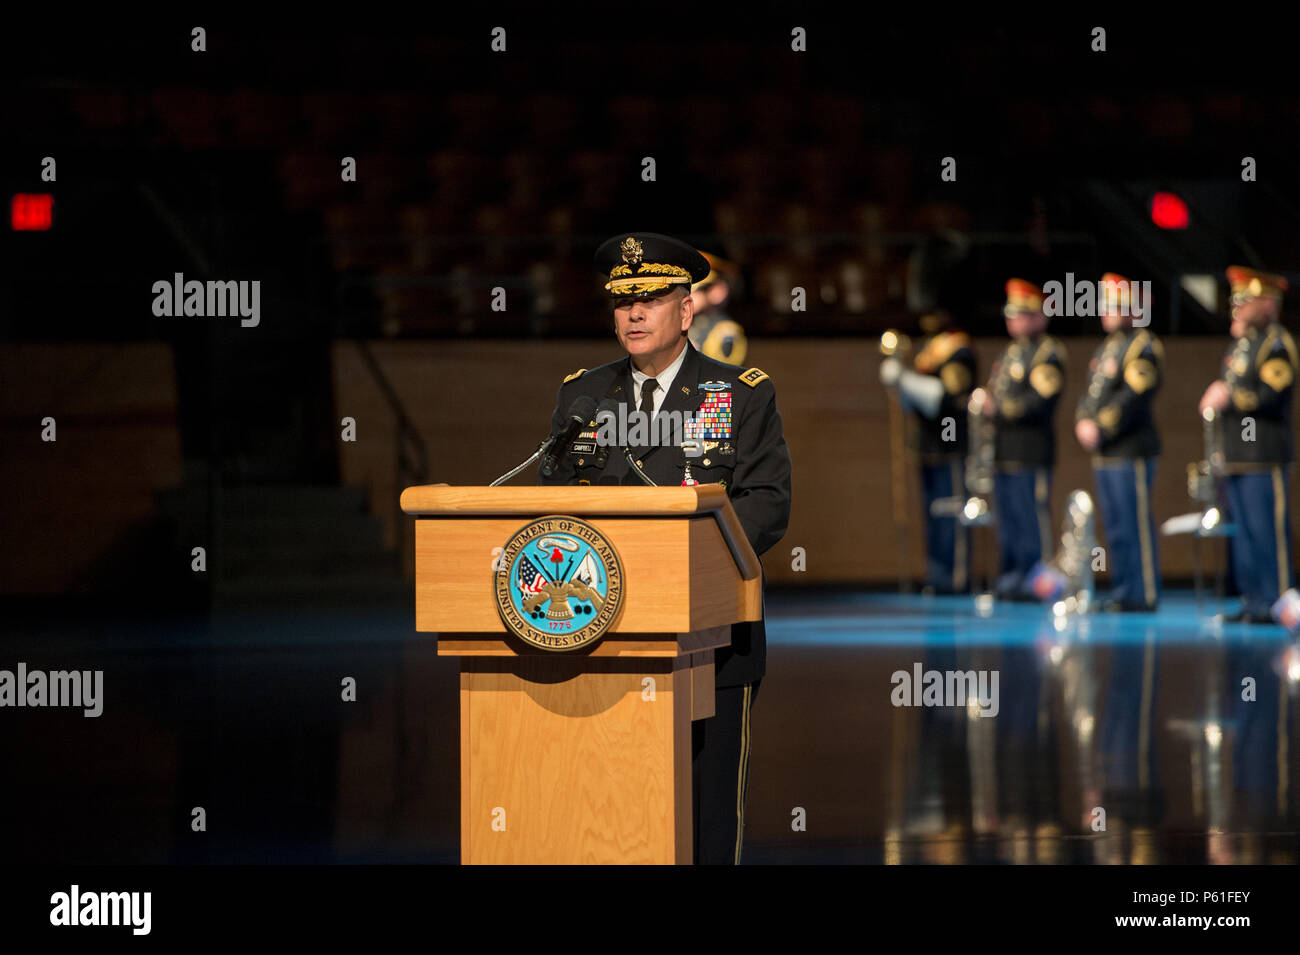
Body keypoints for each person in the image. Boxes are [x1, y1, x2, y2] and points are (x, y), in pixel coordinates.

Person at [538, 232, 793, 862]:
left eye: (651, 300)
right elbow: (553, 498)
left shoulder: (741, 393)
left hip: (714, 635)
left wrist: (694, 562)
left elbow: (768, 500)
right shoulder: (584, 395)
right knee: (614, 806)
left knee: (708, 816)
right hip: (604, 634)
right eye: (623, 301)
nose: (633, 313)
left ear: (687, 310)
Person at [1198, 266, 1296, 623]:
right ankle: (1253, 599)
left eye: (1246, 299)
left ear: (1268, 303)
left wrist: (1231, 395)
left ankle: (1278, 601)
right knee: (1243, 535)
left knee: (1266, 530)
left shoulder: (1277, 344)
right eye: (1235, 299)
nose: (1237, 306)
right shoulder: (1241, 346)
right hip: (1238, 455)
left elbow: (1272, 394)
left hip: (1264, 453)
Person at [1074, 273, 1163, 611]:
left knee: (1134, 523)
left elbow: (1134, 396)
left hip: (1131, 448)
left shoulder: (1144, 346)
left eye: (1113, 305)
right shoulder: (1107, 347)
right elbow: (1091, 394)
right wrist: (1083, 420)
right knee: (1115, 526)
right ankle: (1124, 591)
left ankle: (1144, 593)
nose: (1105, 310)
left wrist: (1100, 425)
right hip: (1107, 453)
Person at [974, 278, 1066, 601]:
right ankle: (1011, 579)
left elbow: (1040, 401)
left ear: (1039, 318)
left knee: (1031, 518)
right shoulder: (1011, 354)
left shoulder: (1047, 354)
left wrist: (997, 408)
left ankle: (1036, 580)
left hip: (1031, 451)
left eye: (1023, 314)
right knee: (1009, 520)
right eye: (1011, 314)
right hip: (1003, 452)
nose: (1014, 320)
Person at [879, 309, 977, 593]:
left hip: (951, 445)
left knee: (951, 514)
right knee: (933, 515)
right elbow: (915, 403)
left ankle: (955, 577)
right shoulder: (929, 351)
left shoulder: (960, 351)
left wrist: (904, 379)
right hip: (928, 447)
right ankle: (937, 574)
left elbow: (946, 396)